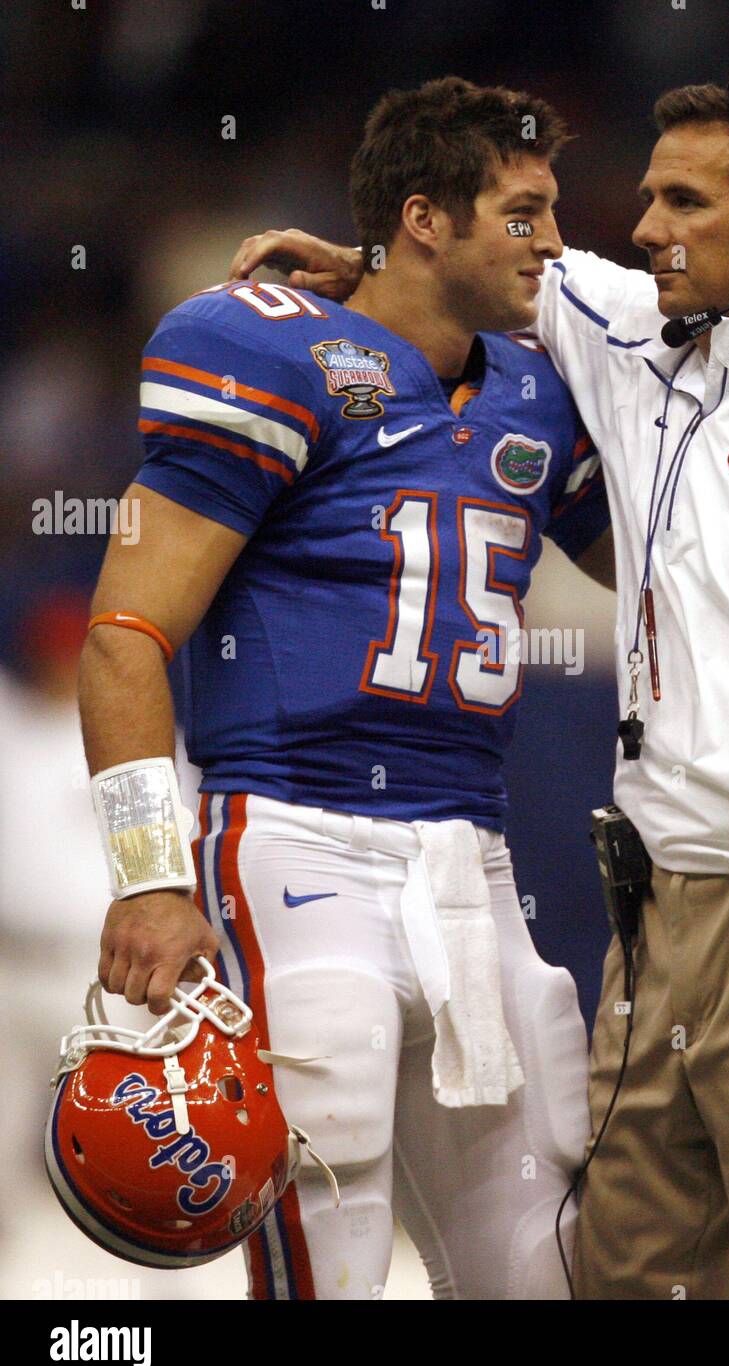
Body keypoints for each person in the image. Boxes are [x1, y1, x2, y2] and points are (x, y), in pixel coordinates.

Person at [237, 66, 729, 1300]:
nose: (642, 229)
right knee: (619, 1277)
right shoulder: (634, 337)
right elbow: (494, 273)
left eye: (683, 201)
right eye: (648, 198)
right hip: (651, 927)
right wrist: (367, 263)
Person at [78, 77, 614, 1302]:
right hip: (295, 836)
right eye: (523, 213)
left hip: (473, 856)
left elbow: (674, 555)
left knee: (540, 1268)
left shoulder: (540, 388)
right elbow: (122, 636)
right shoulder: (268, 348)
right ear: (426, 220)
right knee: (330, 1253)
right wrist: (153, 875)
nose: (556, 243)